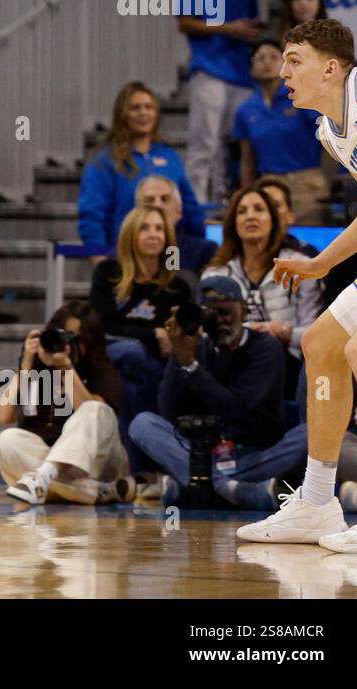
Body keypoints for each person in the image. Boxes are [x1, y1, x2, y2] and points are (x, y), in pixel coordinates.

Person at [241, 19, 357, 548]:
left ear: (331, 66)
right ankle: (318, 503)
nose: (283, 69)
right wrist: (321, 263)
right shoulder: (328, 131)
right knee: (322, 344)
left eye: (294, 59)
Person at [130, 276, 305, 510]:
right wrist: (179, 358)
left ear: (244, 311)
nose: (219, 321)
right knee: (142, 423)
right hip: (200, 453)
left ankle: (196, 488)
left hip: (257, 453)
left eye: (225, 312)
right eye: (210, 314)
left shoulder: (266, 347)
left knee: (312, 433)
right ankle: (232, 490)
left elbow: (237, 409)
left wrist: (192, 368)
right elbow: (168, 412)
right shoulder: (192, 348)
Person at [0, 302, 133, 505]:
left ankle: (45, 478)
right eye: (63, 336)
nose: (68, 344)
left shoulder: (102, 369)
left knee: (95, 409)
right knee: (6, 440)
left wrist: (66, 369)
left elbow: (89, 415)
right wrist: (26, 364)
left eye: (77, 339)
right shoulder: (36, 366)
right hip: (46, 458)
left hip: (95, 463)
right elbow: (5, 416)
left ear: (91, 342)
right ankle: (98, 492)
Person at [89, 206, 193, 464]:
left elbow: (177, 335)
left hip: (151, 363)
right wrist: (152, 333)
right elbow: (101, 325)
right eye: (145, 227)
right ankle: (145, 463)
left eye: (159, 228)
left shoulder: (177, 286)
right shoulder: (108, 272)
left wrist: (161, 336)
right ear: (130, 234)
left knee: (133, 381)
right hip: (110, 353)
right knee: (131, 353)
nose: (153, 234)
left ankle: (137, 465)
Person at [177, 0, 261, 204]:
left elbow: (249, 22)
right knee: (204, 143)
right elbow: (185, 22)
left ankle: (226, 200)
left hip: (240, 72)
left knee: (233, 145)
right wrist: (226, 28)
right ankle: (196, 206)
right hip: (209, 68)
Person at [204, 186, 321, 395]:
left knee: (268, 346)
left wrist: (286, 333)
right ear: (233, 223)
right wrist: (245, 331)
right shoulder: (215, 274)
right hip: (229, 361)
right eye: (242, 211)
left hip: (286, 362)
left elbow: (315, 333)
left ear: (273, 219)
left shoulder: (301, 266)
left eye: (259, 209)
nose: (250, 216)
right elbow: (206, 332)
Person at [78, 81, 204, 259]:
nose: (143, 113)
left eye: (148, 107)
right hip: (125, 258)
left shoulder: (170, 156)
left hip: (170, 257)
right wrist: (100, 262)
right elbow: (92, 216)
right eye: (135, 108)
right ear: (122, 114)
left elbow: (189, 207)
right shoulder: (105, 160)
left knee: (177, 285)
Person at [233, 39, 326, 223]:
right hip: (268, 186)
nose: (267, 62)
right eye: (260, 58)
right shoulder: (246, 109)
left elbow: (328, 139)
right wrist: (246, 193)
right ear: (251, 67)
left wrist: (326, 180)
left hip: (307, 185)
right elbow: (247, 158)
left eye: (274, 57)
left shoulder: (301, 97)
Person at [134, 174, 217, 274]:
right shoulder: (123, 255)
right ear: (137, 212)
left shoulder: (205, 252)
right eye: (149, 200)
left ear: (179, 210)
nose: (158, 205)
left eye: (165, 199)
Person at [254, 176, 319, 257]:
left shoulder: (309, 257)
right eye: (261, 206)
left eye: (276, 205)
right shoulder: (235, 256)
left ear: (291, 216)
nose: (269, 211)